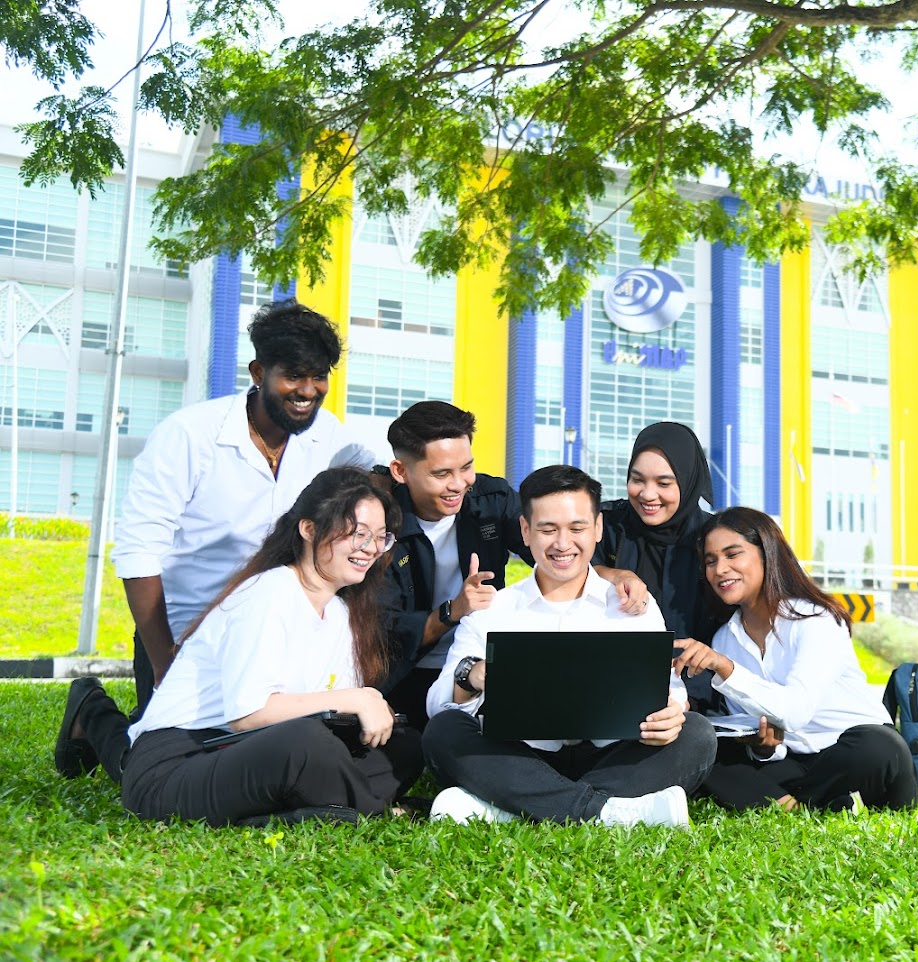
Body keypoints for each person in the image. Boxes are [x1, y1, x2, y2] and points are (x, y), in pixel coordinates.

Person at [65, 468, 425, 827]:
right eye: (358, 533)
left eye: (380, 537)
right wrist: (355, 698)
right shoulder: (268, 594)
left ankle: (314, 809)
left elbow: (326, 719)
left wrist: (364, 712)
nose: (371, 548)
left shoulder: (340, 613)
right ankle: (369, 813)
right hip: (178, 762)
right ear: (309, 529)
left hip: (249, 755)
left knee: (403, 745)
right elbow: (249, 714)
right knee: (305, 743)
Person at [116, 301, 374, 719]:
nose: (308, 390)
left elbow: (384, 479)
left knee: (259, 746)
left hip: (274, 635)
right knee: (162, 750)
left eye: (319, 376)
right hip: (188, 634)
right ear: (258, 373)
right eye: (293, 376)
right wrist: (164, 661)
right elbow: (138, 553)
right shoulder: (188, 435)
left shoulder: (330, 438)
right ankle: (90, 714)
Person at [423, 464, 716, 827]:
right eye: (548, 530)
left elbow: (670, 690)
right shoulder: (493, 607)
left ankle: (513, 809)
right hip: (522, 757)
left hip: (612, 757)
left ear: (597, 529)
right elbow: (438, 705)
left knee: (697, 734)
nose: (563, 544)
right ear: (525, 531)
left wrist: (672, 712)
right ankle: (605, 812)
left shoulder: (631, 603)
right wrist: (472, 675)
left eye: (577, 528)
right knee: (444, 732)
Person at [380, 401, 649, 727]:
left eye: (466, 467)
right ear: (400, 471)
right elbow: (387, 635)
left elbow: (556, 554)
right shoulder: (379, 523)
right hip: (405, 673)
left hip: (489, 668)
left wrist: (616, 575)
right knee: (440, 732)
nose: (459, 484)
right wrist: (455, 610)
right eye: (442, 474)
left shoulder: (491, 500)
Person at [674, 506, 918, 813]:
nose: (720, 569)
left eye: (732, 554)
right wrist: (764, 748)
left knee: (880, 747)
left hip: (850, 751)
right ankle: (813, 804)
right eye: (711, 561)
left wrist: (726, 668)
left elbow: (795, 711)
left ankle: (783, 801)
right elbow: (761, 731)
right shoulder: (725, 638)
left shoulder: (816, 619)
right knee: (706, 748)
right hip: (795, 762)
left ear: (767, 554)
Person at [598, 422, 723, 710]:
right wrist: (615, 574)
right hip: (611, 690)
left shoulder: (713, 539)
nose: (647, 494)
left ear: (687, 482)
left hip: (696, 696)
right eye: (637, 479)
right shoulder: (607, 525)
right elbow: (571, 568)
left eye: (664, 483)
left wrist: (684, 701)